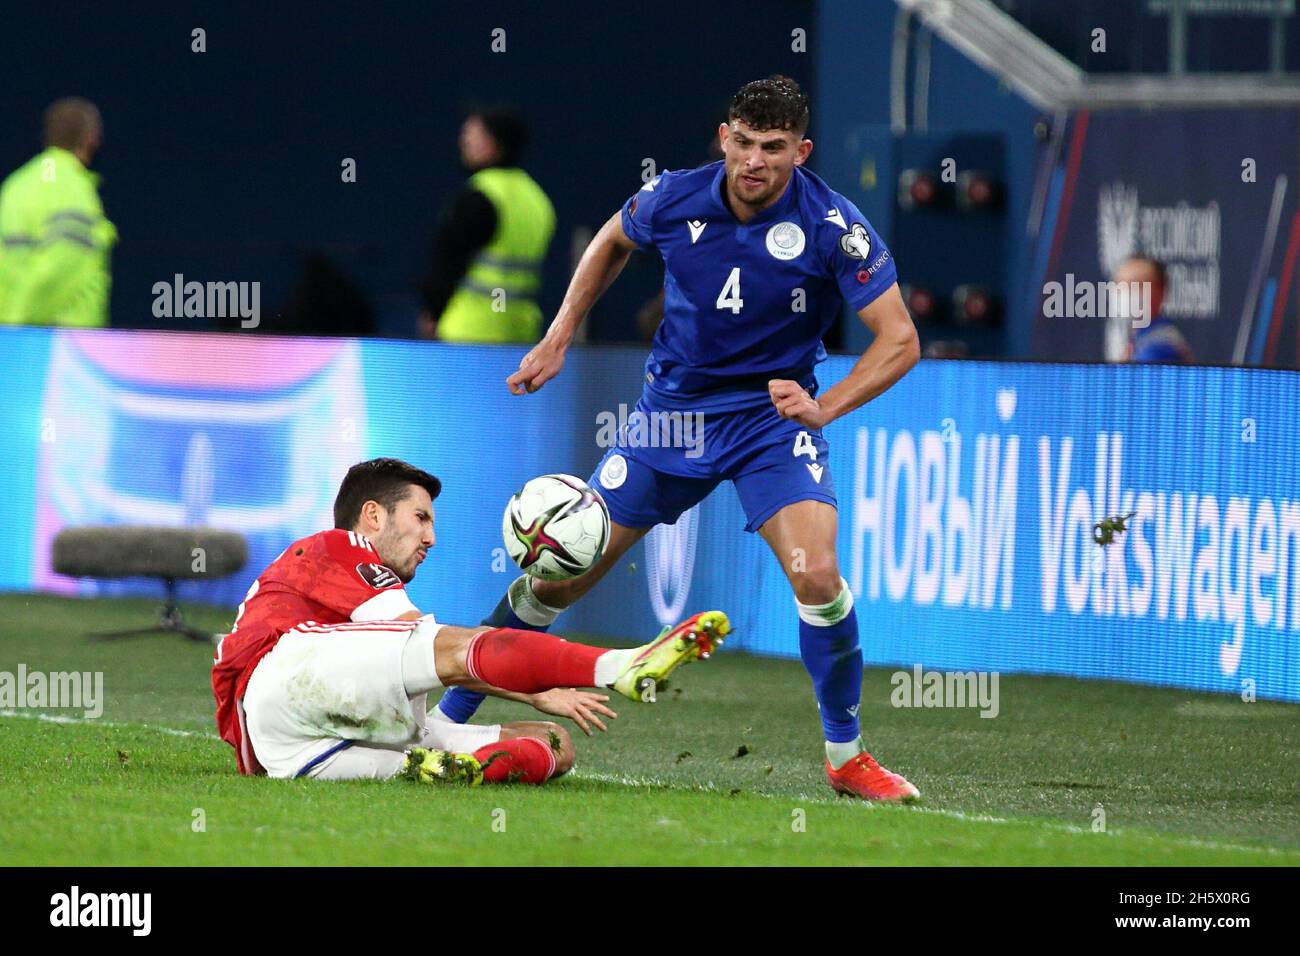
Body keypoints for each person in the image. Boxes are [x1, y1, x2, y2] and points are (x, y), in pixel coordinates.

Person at [438, 76, 923, 801]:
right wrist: (559, 336)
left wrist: (825, 409)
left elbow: (901, 340)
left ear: (802, 150)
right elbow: (610, 241)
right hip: (670, 419)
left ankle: (847, 756)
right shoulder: (673, 196)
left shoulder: (833, 226)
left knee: (817, 577)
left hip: (768, 424)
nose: (755, 161)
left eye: (775, 148)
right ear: (724, 137)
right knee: (559, 575)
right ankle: (447, 718)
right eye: (744, 143)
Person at [210, 458, 728, 784]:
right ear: (373, 516)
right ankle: (619, 665)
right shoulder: (336, 547)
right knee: (454, 647)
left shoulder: (344, 596)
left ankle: (438, 771)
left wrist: (534, 698)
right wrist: (536, 685)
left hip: (294, 754)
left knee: (553, 743)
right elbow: (449, 654)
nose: (430, 538)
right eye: (421, 518)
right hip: (280, 685)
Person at [418, 107, 555, 343]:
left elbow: (448, 261)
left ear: (495, 143)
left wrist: (432, 311)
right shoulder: (538, 199)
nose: (463, 142)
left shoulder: (479, 196)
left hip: (468, 331)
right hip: (522, 331)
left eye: (472, 135)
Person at [0, 97, 117, 327]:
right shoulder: (74, 188)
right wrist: (20, 322)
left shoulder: (17, 184)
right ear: (91, 138)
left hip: (11, 337)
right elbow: (64, 262)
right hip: (59, 342)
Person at [1114, 255, 1194, 364]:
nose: (1127, 292)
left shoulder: (1161, 346)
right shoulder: (1138, 337)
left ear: (1161, 291)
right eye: (1121, 284)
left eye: (1138, 285)